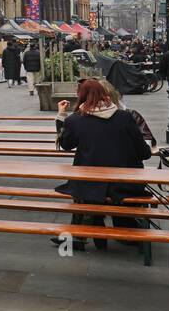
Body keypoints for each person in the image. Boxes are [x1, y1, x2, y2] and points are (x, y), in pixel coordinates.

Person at [54, 78, 152, 251]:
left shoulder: (75, 120)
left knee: (85, 188)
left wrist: (61, 116)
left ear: (81, 96)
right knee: (101, 189)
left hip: (89, 186)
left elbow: (65, 144)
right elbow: (144, 153)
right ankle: (127, 232)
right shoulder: (125, 117)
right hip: (126, 185)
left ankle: (82, 234)